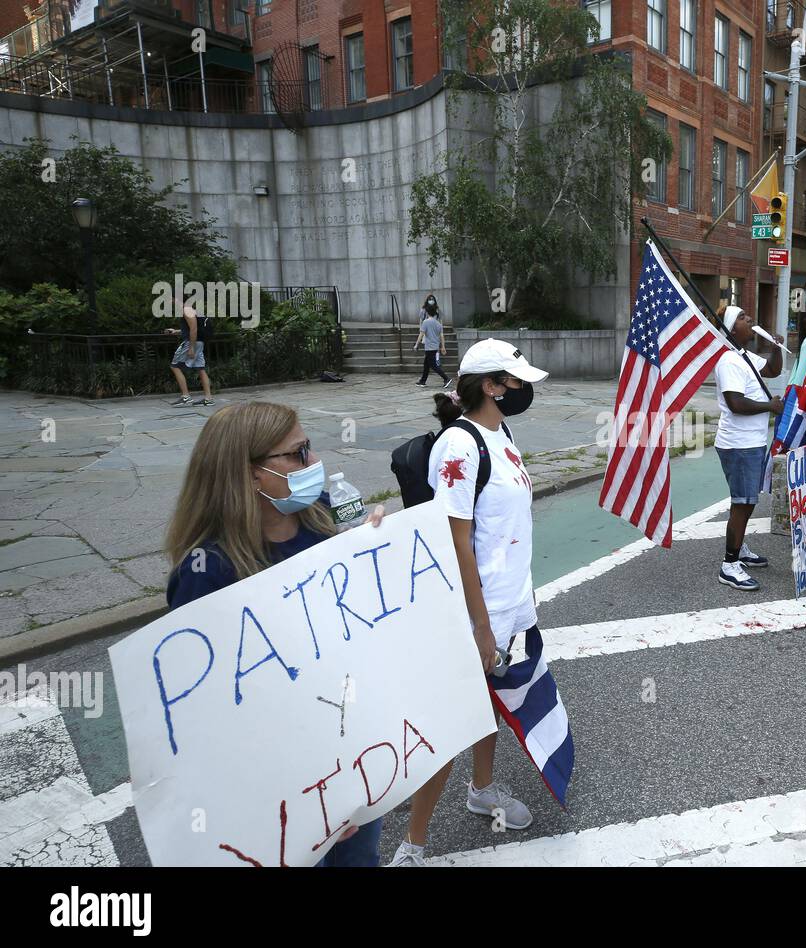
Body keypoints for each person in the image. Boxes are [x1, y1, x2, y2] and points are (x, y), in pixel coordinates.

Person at [164, 401, 387, 866]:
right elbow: (208, 711)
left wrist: (375, 548)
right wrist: (311, 804)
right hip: (282, 787)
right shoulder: (208, 571)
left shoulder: (323, 519)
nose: (313, 463)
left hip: (351, 751)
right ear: (249, 475)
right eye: (296, 453)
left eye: (307, 447)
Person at [391, 338, 550, 866]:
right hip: (472, 612)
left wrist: (512, 608)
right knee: (448, 726)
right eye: (515, 380)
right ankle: (412, 845)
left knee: (489, 709)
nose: (523, 389)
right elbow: (455, 542)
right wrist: (480, 627)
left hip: (508, 605)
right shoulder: (459, 447)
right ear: (491, 385)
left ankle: (481, 789)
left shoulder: (500, 431)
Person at [713, 305, 784, 592]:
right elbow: (736, 403)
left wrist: (776, 347)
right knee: (742, 502)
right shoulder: (729, 361)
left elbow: (772, 369)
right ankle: (729, 565)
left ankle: (739, 549)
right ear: (731, 330)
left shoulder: (744, 356)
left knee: (748, 500)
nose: (750, 319)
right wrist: (771, 406)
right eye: (742, 317)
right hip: (739, 445)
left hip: (751, 442)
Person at [166, 295, 214, 407]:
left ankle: (186, 397)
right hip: (199, 342)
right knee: (200, 368)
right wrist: (175, 331)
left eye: (172, 298)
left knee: (175, 366)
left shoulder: (186, 310)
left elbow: (194, 329)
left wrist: (191, 347)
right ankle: (208, 398)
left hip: (192, 343)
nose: (170, 301)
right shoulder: (190, 309)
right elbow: (190, 328)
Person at [415, 294, 449, 388]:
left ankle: (446, 378)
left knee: (433, 365)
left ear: (428, 312)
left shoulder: (426, 322)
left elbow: (421, 334)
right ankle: (422, 381)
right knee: (426, 364)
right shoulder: (438, 324)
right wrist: (443, 346)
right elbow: (441, 336)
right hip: (435, 345)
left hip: (429, 346)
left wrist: (416, 344)